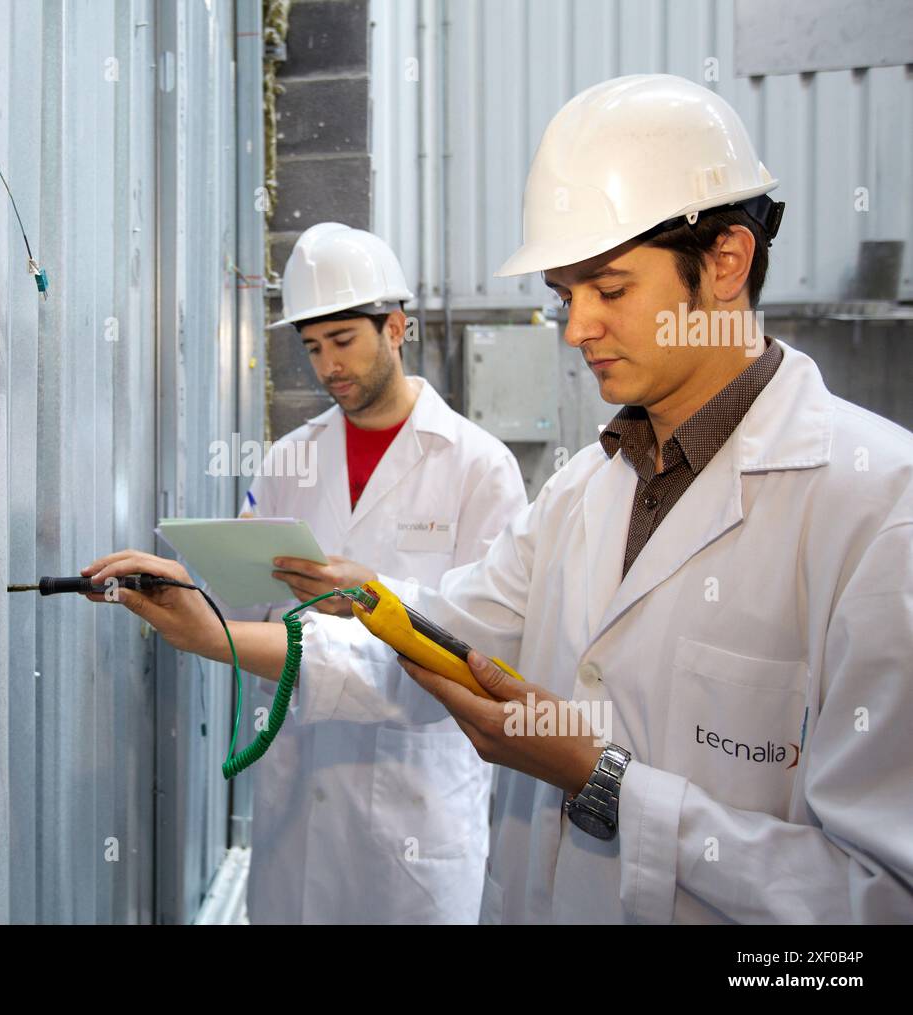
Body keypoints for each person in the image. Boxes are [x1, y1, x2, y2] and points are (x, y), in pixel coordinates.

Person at [85, 74, 913, 922]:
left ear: (726, 261)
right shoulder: (583, 492)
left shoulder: (877, 509)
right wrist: (216, 628)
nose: (577, 326)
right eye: (564, 296)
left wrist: (606, 781)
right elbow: (434, 644)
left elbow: (878, 896)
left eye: (610, 289)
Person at [223, 222, 526, 923]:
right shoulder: (288, 460)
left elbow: (489, 649)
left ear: (395, 326)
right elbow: (244, 604)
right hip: (297, 792)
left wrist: (365, 606)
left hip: (414, 806)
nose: (328, 365)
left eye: (343, 340)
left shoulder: (477, 465)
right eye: (311, 347)